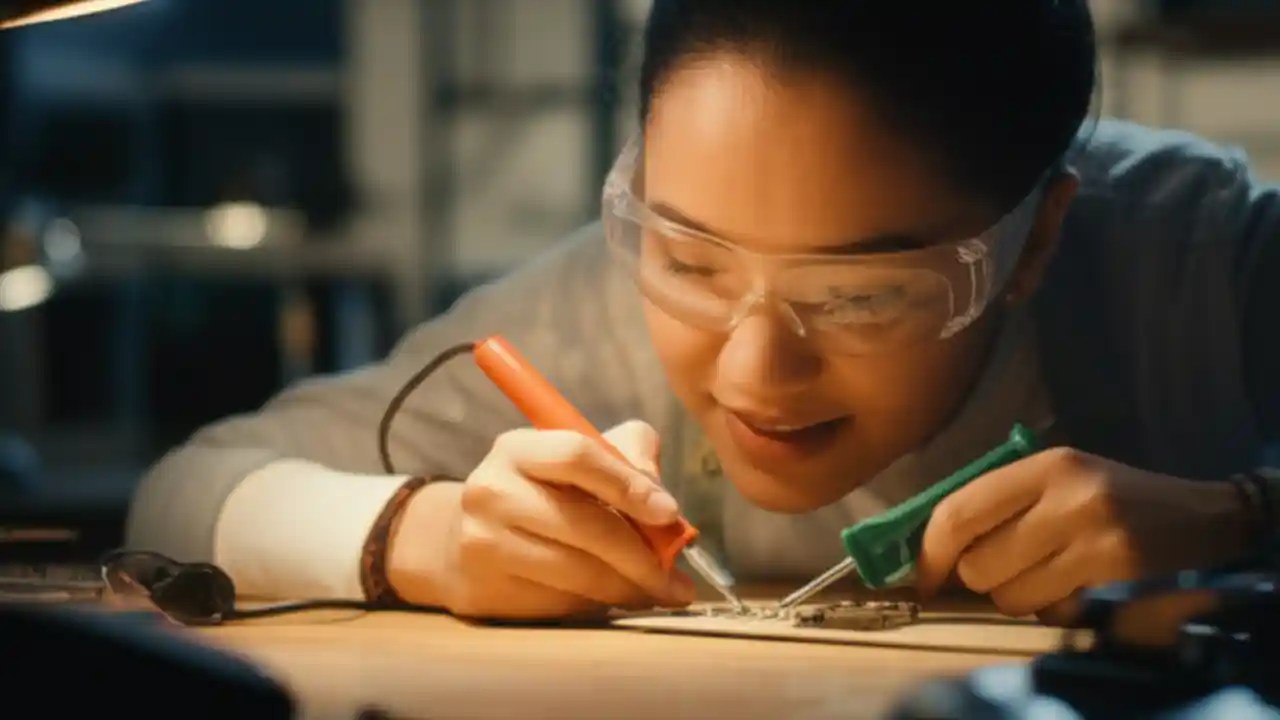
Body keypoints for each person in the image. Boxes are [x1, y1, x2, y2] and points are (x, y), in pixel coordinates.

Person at [125, 0, 1280, 626]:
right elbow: (186, 491)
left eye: (861, 292)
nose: (753, 375)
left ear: (1034, 240)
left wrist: (1244, 521)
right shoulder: (588, 306)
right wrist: (414, 539)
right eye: (688, 258)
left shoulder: (1199, 262)